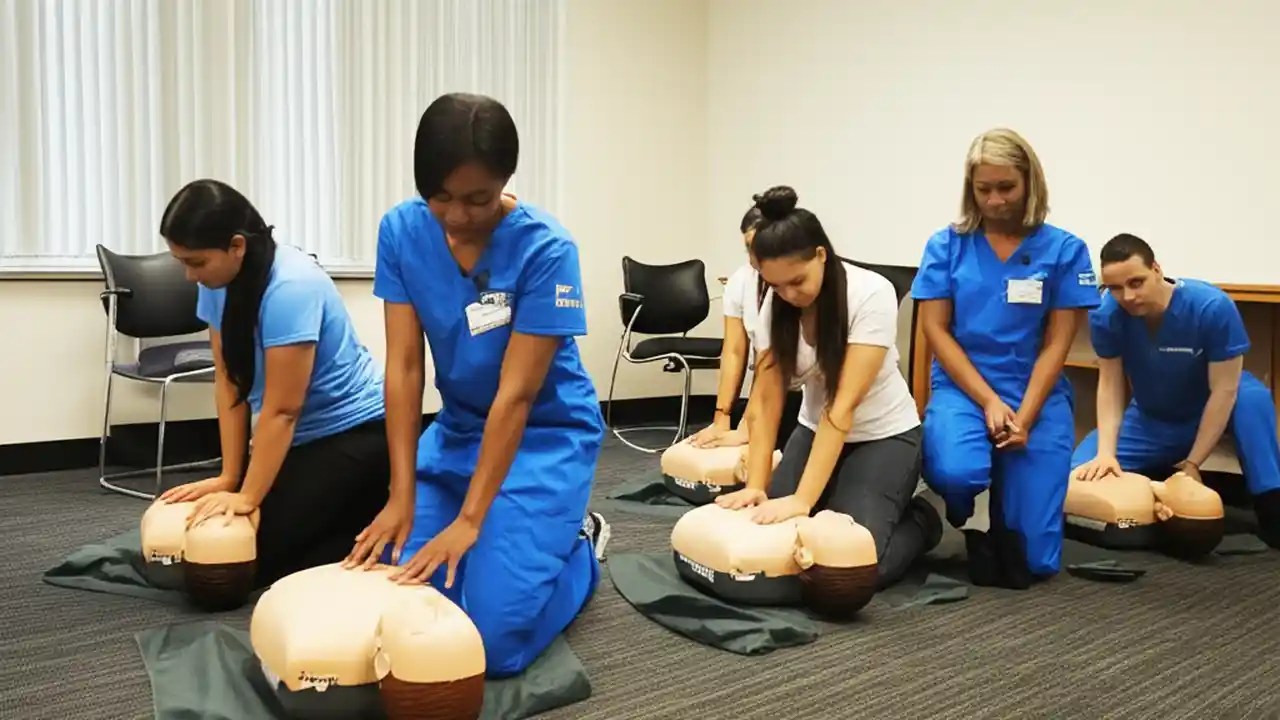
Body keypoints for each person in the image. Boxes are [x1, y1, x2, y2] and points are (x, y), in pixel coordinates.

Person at [341, 92, 609, 678]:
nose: (459, 216)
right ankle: (516, 542)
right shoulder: (402, 231)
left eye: (478, 199)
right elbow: (406, 369)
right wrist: (401, 496)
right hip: (461, 432)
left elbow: (515, 396)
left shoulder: (546, 248)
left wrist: (469, 522)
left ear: (506, 181)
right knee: (401, 596)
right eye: (441, 198)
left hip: (543, 438)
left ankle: (579, 549)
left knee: (488, 642)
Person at [157, 178, 390, 588]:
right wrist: (230, 476)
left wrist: (248, 496)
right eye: (181, 262)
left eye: (195, 262)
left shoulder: (291, 287)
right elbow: (229, 381)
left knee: (252, 557)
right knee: (215, 538)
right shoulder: (216, 283)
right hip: (297, 437)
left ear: (236, 246)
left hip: (356, 433)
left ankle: (379, 514)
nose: (188, 275)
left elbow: (284, 410)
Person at [715, 186, 942, 591]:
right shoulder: (777, 301)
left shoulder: (871, 293)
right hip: (815, 429)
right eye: (776, 285)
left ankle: (924, 520)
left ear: (821, 254)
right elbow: (766, 401)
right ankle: (835, 498)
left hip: (882, 437)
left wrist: (803, 500)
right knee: (778, 533)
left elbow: (842, 406)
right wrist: (756, 486)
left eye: (797, 281)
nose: (788, 294)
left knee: (854, 568)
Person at [910, 128, 1101, 589]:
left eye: (1006, 188)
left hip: (1034, 387)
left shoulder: (1065, 249)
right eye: (984, 189)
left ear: (1030, 182)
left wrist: (1026, 417)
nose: (995, 200)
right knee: (959, 472)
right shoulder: (946, 245)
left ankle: (1006, 502)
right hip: (964, 386)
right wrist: (990, 402)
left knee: (1035, 562)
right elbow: (935, 329)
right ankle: (968, 510)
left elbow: (1059, 342)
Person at [1071, 233, 1280, 547]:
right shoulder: (1106, 316)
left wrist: (1193, 464)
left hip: (1217, 405)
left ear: (1157, 269)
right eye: (1114, 288)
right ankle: (1176, 483)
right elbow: (1111, 385)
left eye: (1136, 282)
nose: (1126, 296)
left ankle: (1271, 507)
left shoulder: (1211, 306)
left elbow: (1224, 391)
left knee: (1252, 399)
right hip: (1153, 418)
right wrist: (1105, 454)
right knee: (1078, 476)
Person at [688, 207, 802, 450]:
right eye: (748, 248)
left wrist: (747, 429)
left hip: (807, 397)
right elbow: (734, 351)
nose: (752, 257)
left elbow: (774, 363)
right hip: (769, 388)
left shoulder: (794, 286)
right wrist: (722, 417)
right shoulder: (742, 280)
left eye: (758, 247)